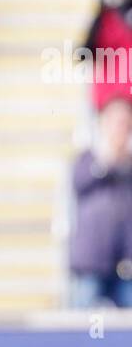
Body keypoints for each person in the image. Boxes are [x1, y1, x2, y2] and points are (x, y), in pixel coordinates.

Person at [70, 97, 132, 308]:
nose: (120, 129)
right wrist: (105, 161)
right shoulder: (88, 158)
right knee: (80, 329)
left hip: (126, 263)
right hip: (91, 263)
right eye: (116, 122)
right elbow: (79, 184)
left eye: (125, 123)